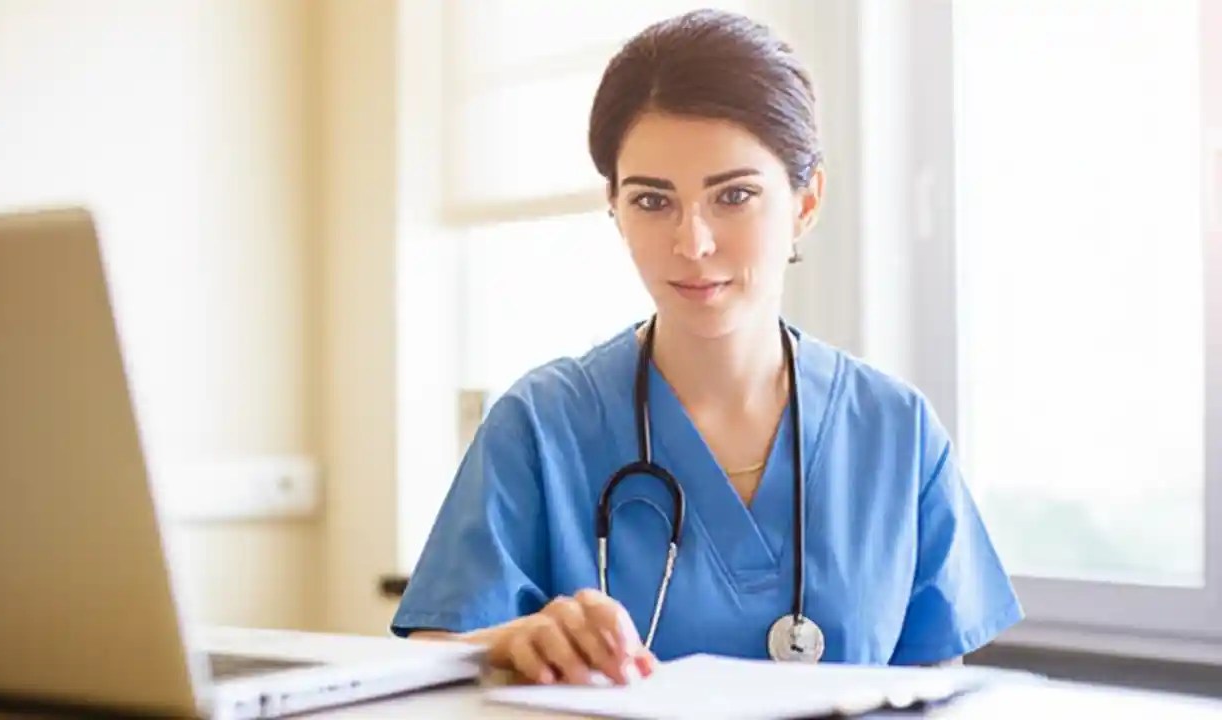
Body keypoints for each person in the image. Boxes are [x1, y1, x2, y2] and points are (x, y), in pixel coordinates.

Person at [390, 9, 1022, 686]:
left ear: (806, 201)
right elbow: (425, 672)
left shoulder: (897, 434)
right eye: (652, 201)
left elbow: (935, 694)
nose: (692, 243)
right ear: (614, 207)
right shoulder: (542, 428)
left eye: (735, 195)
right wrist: (511, 644)